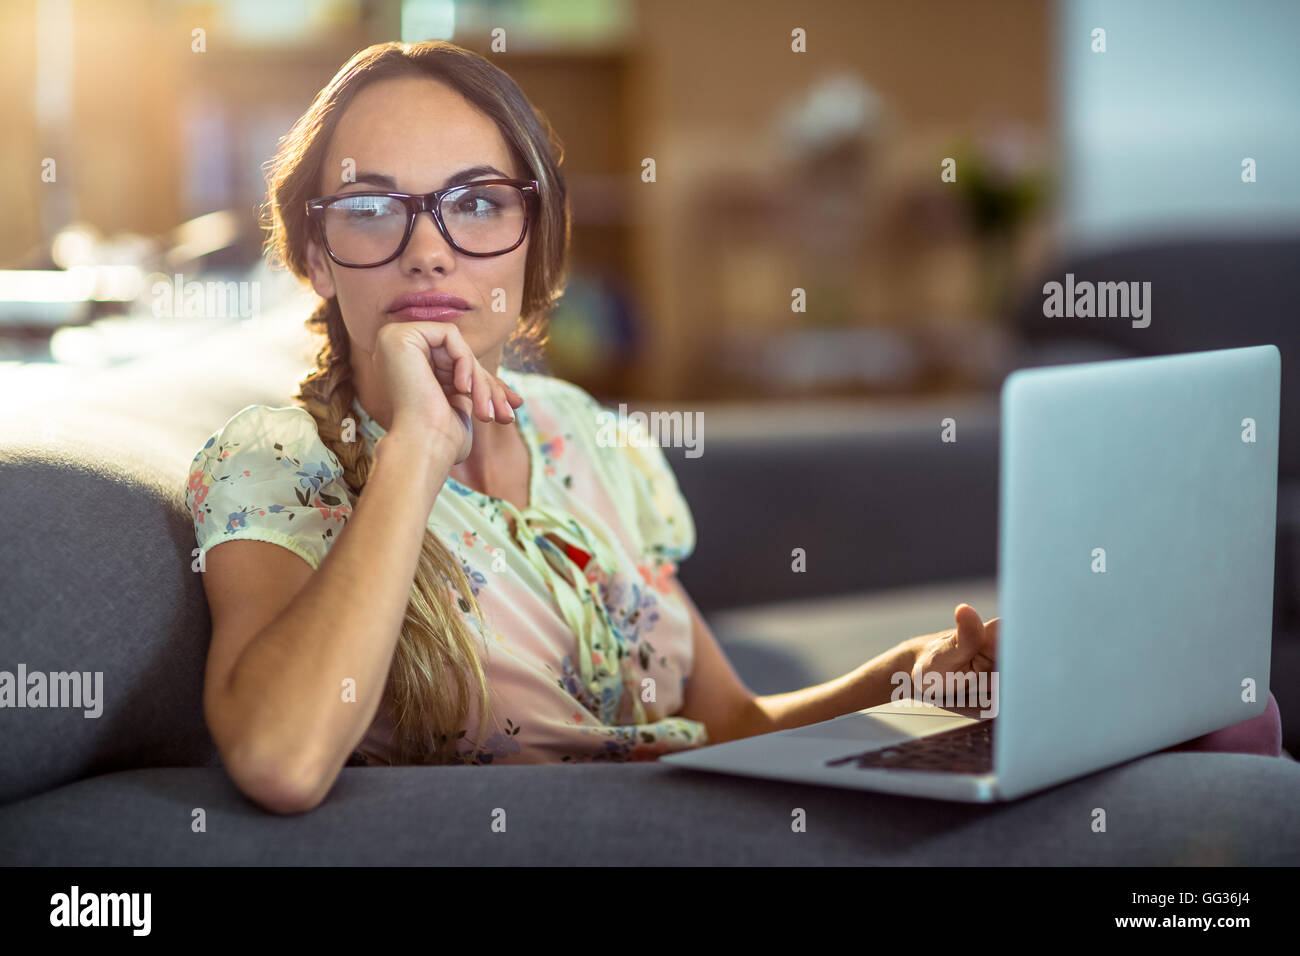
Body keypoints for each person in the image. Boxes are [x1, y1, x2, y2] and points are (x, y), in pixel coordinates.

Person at [183, 40, 999, 815]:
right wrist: (420, 449)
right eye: (370, 207)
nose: (428, 252)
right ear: (317, 256)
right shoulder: (274, 460)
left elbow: (733, 728)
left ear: (534, 241)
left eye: (475, 203)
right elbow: (279, 761)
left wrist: (911, 679)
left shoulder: (583, 434)